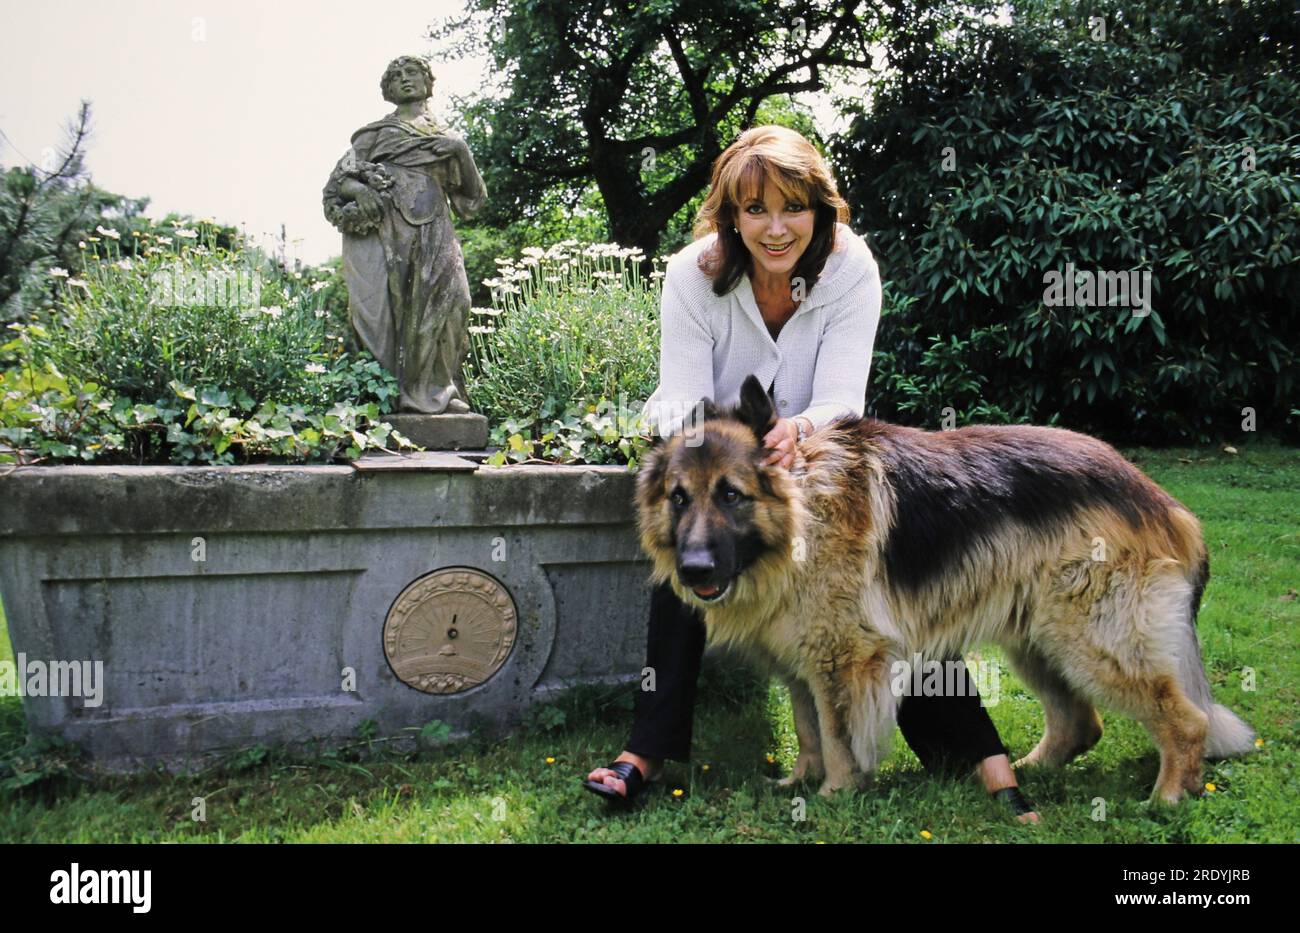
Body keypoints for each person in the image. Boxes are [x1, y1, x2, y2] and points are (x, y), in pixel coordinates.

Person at [583, 125, 1039, 823]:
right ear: (729, 214)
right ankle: (646, 748)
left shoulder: (850, 267)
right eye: (754, 209)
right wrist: (720, 442)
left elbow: (840, 399)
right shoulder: (690, 275)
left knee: (879, 592)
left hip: (822, 453)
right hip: (718, 449)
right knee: (694, 545)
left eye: (792, 207)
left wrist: (796, 432)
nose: (774, 228)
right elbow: (676, 392)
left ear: (820, 209)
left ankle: (969, 748)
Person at [322, 55, 486, 414]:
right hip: (391, 232)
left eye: (412, 73)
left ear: (429, 82)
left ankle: (442, 390)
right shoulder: (375, 135)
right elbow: (339, 182)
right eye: (395, 77)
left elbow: (473, 201)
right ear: (387, 91)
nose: (405, 79)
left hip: (437, 230)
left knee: (457, 303)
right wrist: (361, 192)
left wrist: (461, 150)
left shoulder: (446, 137)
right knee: (400, 311)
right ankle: (405, 394)